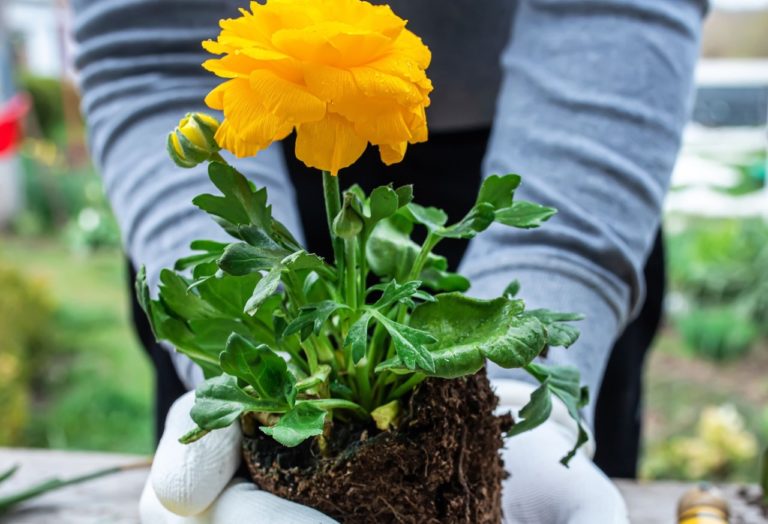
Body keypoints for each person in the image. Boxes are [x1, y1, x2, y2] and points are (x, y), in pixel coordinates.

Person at [71, 0, 707, 522]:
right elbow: (149, 44)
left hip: (564, 153)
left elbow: (614, 18)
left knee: (528, 389)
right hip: (266, 134)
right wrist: (250, 380)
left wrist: (519, 383)